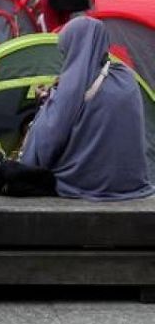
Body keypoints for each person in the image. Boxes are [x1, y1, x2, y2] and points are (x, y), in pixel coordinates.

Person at [20, 17, 153, 200]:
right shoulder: (127, 76)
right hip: (132, 182)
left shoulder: (72, 87)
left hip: (85, 183)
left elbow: (45, 145)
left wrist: (46, 106)